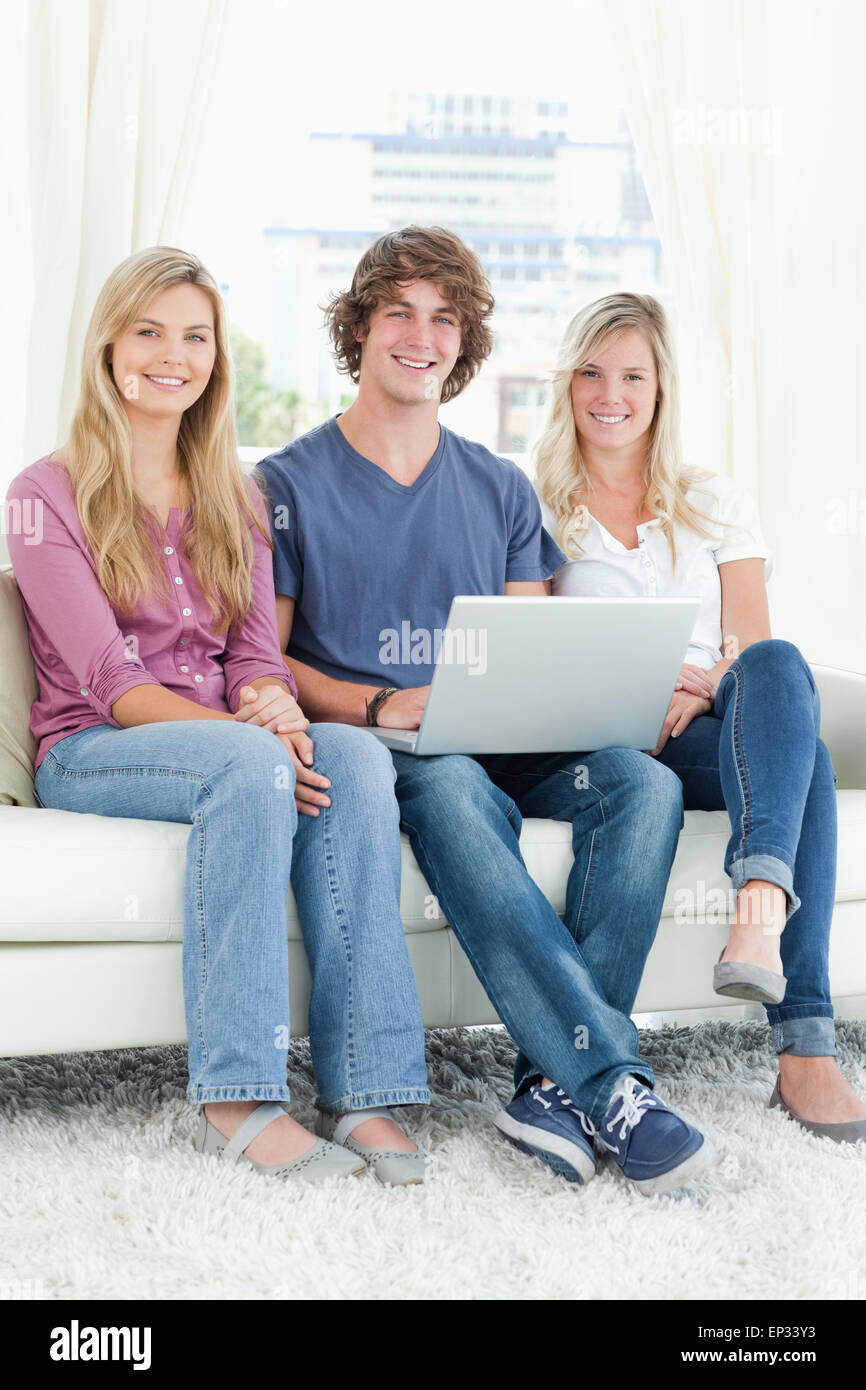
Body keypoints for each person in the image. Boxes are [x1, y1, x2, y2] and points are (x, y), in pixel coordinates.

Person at [255, 225, 710, 1195]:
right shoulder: (286, 485)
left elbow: (528, 651)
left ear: (463, 344)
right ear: (357, 329)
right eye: (398, 314)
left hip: (506, 741)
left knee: (640, 778)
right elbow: (269, 661)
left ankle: (545, 1084)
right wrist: (383, 697)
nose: (421, 336)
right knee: (454, 781)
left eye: (443, 319)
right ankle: (608, 1079)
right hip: (396, 748)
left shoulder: (500, 488)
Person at [5, 246, 430, 1186]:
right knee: (257, 767)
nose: (173, 354)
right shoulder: (44, 496)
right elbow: (111, 682)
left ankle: (365, 1084)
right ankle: (237, 1089)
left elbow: (250, 654)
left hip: (230, 745)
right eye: (150, 331)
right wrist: (257, 740)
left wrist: (270, 702)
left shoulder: (238, 495)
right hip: (100, 746)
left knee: (356, 760)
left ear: (215, 360)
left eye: (195, 336)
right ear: (109, 345)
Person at [534, 290, 866, 1143]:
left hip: (717, 717)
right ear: (569, 384)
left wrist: (699, 685)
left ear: (661, 386)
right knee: (812, 767)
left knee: (780, 668)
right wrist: (655, 689)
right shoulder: (533, 504)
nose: (612, 393)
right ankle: (805, 1053)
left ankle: (758, 911)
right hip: (618, 736)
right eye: (594, 373)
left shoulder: (713, 498)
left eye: (633, 375)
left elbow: (750, 647)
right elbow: (536, 656)